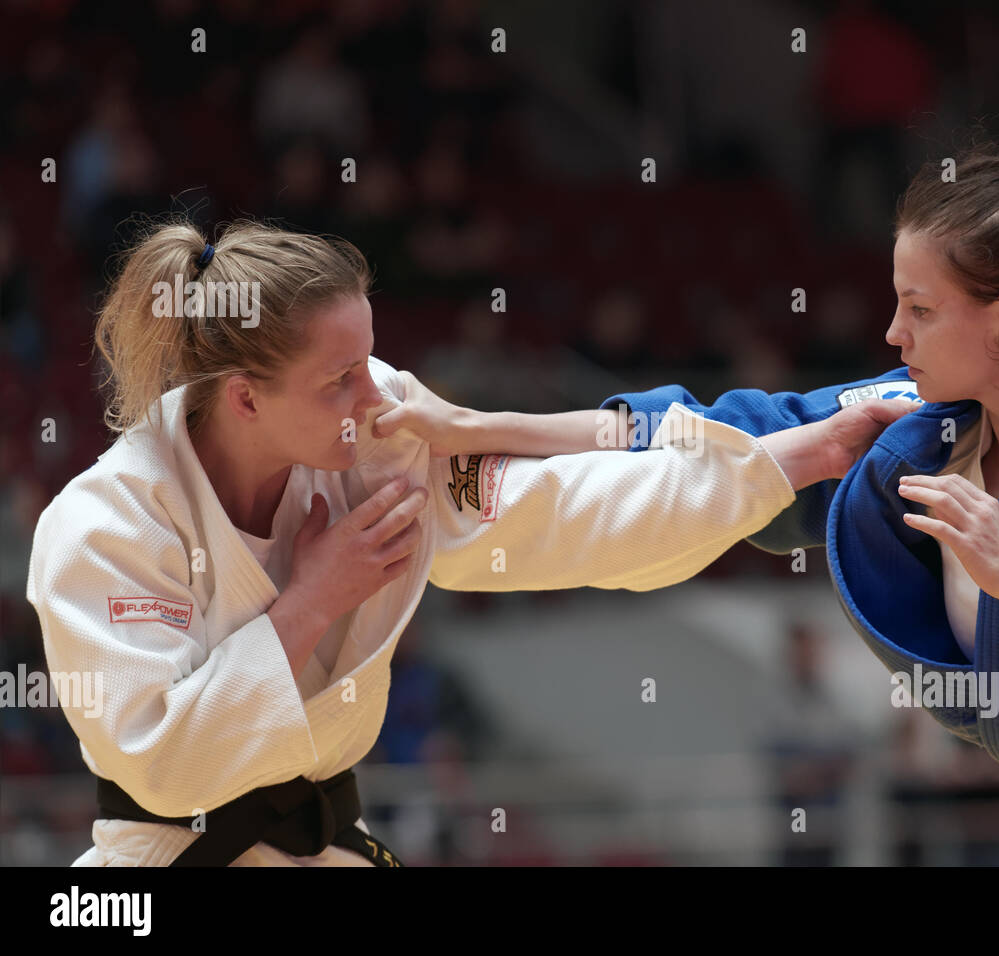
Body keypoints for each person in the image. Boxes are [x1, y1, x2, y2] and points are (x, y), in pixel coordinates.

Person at [446, 146, 999, 866]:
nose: (893, 333)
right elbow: (726, 432)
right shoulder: (924, 422)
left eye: (920, 310)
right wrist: (481, 425)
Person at [24, 218, 917, 867]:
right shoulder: (104, 527)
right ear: (245, 399)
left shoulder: (373, 438)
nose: (373, 399)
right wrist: (312, 601)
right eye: (339, 381)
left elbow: (559, 511)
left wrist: (789, 459)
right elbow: (166, 764)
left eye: (368, 363)